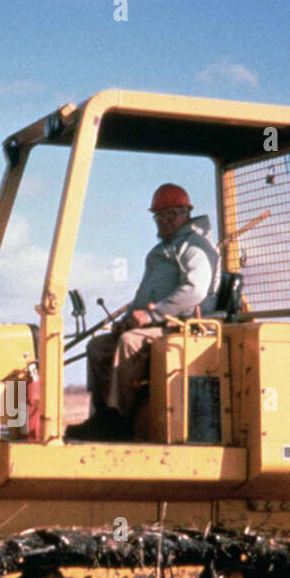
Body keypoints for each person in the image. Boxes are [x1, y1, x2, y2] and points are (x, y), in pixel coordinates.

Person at [66, 183, 221, 441]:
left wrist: (151, 315)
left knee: (130, 343)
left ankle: (119, 421)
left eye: (172, 214)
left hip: (182, 325)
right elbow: (145, 295)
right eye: (160, 216)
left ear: (186, 213)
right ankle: (102, 413)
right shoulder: (160, 251)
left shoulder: (195, 248)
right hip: (156, 323)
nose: (166, 221)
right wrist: (129, 319)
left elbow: (195, 291)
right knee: (98, 346)